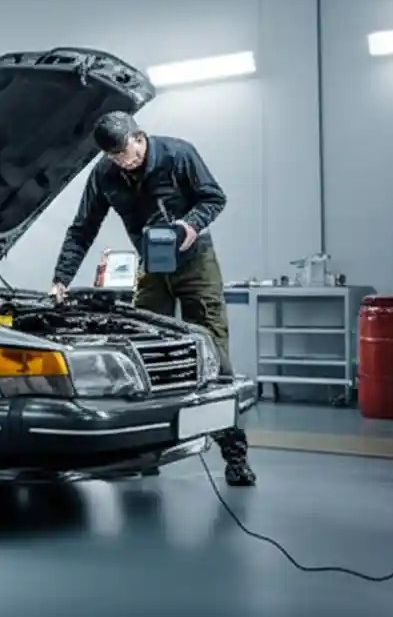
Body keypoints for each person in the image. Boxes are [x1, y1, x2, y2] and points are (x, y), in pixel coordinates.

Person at [48, 111, 256, 487]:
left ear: (139, 137)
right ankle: (144, 452)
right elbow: (82, 229)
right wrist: (60, 280)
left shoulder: (179, 155)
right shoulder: (104, 175)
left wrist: (190, 225)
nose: (124, 162)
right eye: (115, 157)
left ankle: (235, 456)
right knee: (142, 352)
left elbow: (214, 197)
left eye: (127, 153)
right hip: (152, 266)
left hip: (196, 262)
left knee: (215, 353)